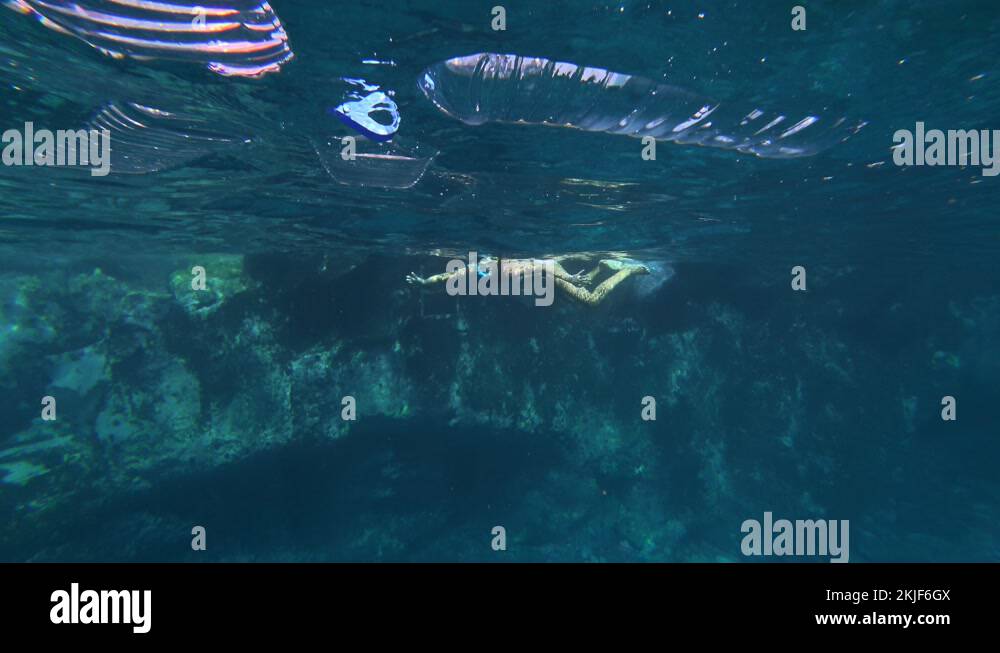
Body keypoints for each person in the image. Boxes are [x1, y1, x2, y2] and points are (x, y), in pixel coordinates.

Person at [406, 253, 650, 306]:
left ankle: (628, 270)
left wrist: (569, 279)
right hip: (544, 271)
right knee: (578, 297)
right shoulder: (471, 271)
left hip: (547, 270)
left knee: (590, 301)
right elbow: (445, 278)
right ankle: (601, 266)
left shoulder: (505, 273)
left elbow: (539, 268)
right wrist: (424, 283)